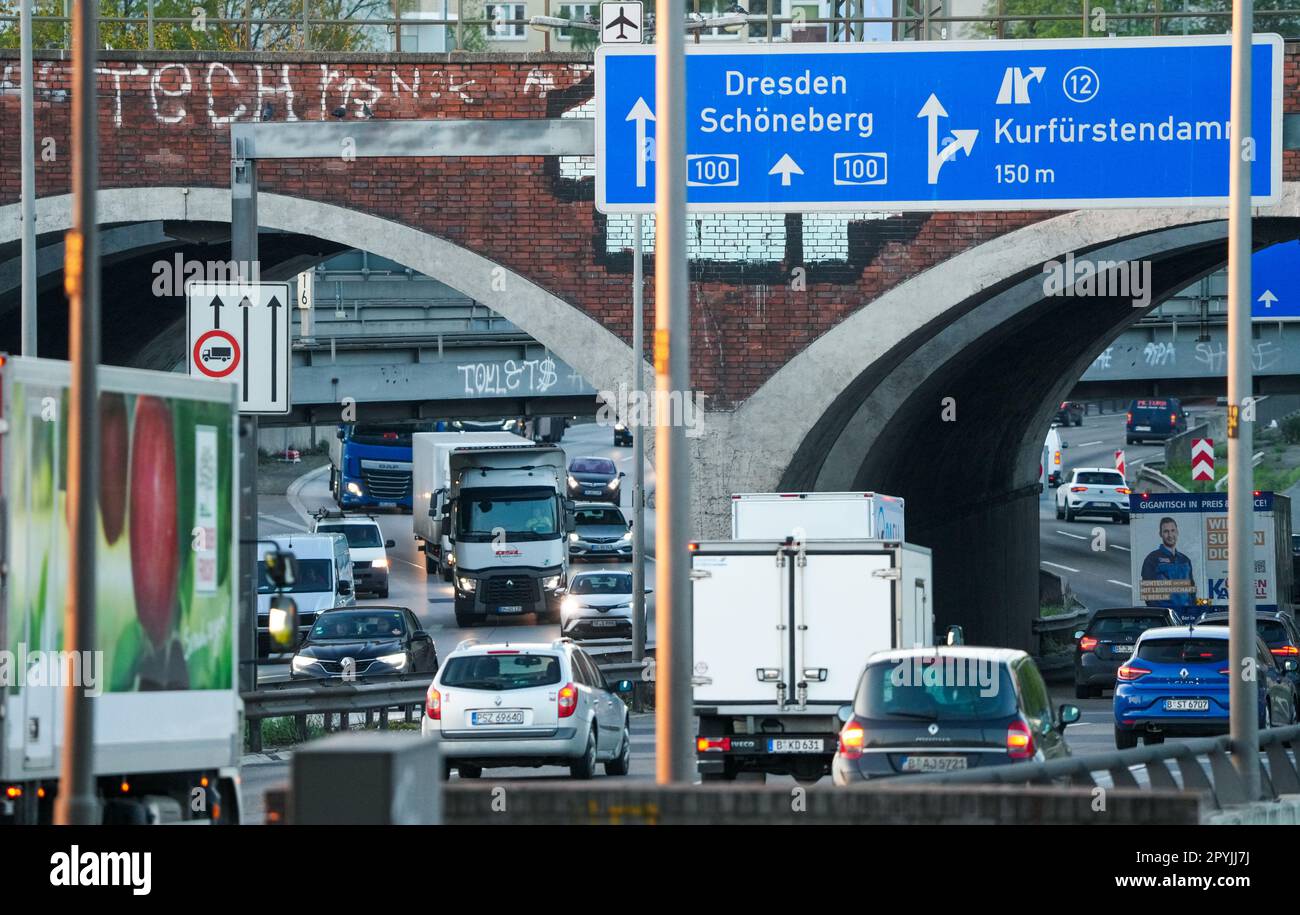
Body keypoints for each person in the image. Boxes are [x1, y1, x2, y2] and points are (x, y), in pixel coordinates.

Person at [1140, 516, 1196, 621]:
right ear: (1160, 534)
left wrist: (1192, 610)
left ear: (1177, 532)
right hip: (1164, 617)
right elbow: (1147, 592)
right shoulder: (1152, 559)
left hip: (1186, 615)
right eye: (1166, 531)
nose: (1170, 535)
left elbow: (1192, 590)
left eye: (1172, 531)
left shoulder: (1185, 560)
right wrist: (1158, 614)